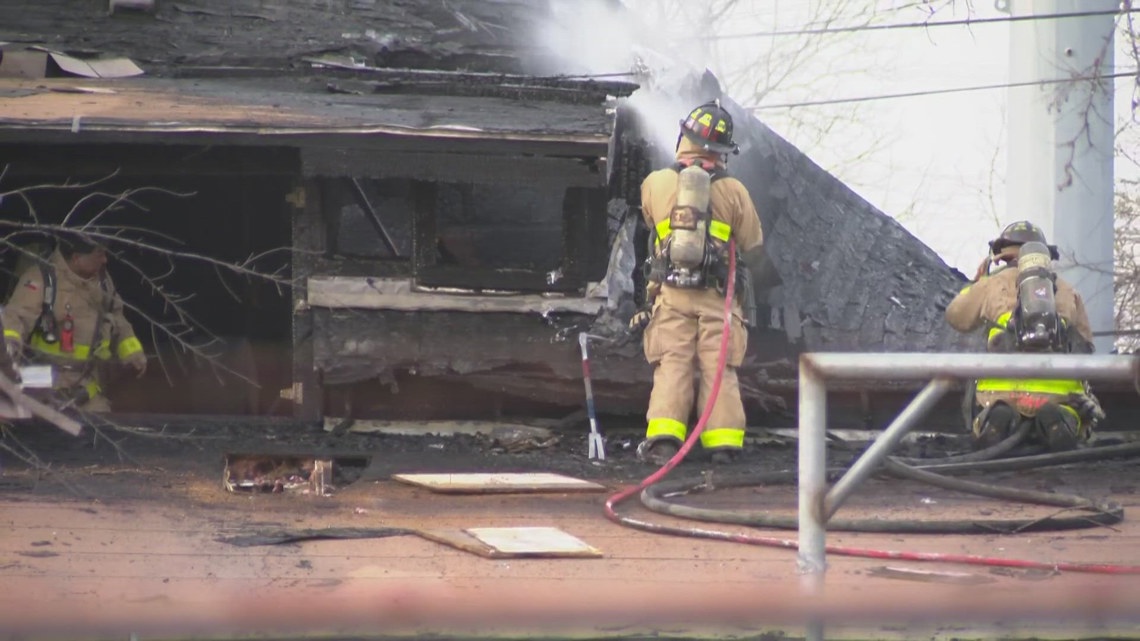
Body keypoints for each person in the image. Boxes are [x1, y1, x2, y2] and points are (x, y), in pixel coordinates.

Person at [631, 100, 764, 465]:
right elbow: (753, 245)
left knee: (672, 363)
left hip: (670, 294)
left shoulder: (655, 184)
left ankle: (663, 442)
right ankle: (722, 445)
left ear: (682, 139)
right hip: (716, 299)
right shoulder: (733, 190)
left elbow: (648, 228)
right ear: (721, 153)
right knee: (717, 366)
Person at [945, 220, 1104, 452]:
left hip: (998, 393)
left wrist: (976, 282)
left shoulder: (990, 285)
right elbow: (1086, 348)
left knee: (996, 409)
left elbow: (955, 317)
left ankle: (996, 419)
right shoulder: (1068, 291)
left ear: (1002, 254)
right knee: (1068, 412)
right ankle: (1061, 421)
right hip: (1058, 396)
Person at [2, 232, 147, 412]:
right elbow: (16, 317)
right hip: (44, 386)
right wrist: (10, 347)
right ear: (77, 258)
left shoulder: (103, 282)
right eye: (99, 254)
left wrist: (133, 353)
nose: (104, 260)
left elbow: (118, 319)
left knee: (99, 435)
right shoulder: (43, 279)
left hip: (86, 388)